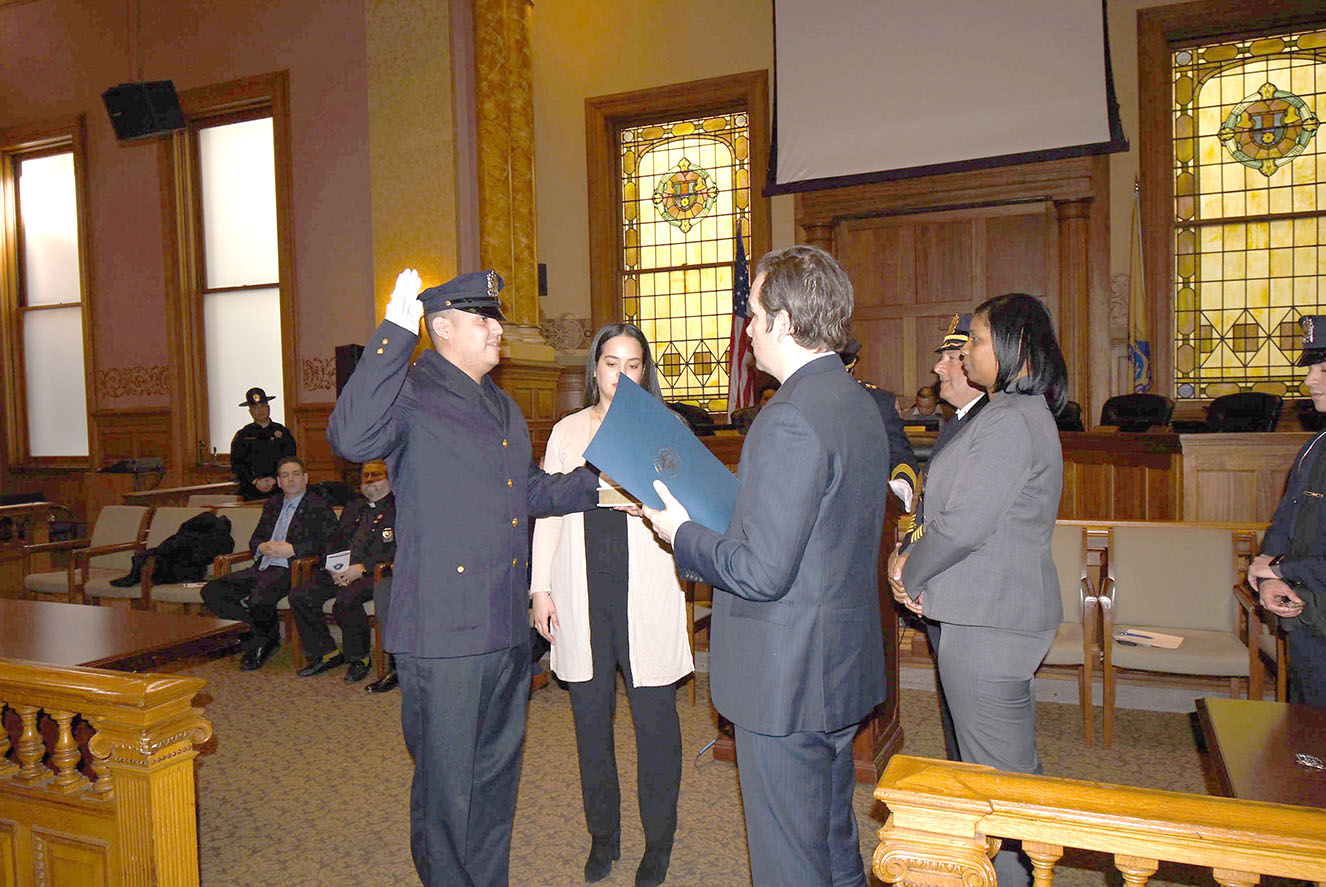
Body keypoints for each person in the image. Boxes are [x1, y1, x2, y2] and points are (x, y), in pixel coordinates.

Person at [326, 268, 600, 887]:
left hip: (502, 623)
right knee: (448, 789)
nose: (498, 328)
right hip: (445, 629)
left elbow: (523, 489)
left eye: (495, 317)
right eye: (484, 319)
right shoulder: (412, 390)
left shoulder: (500, 403)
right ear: (441, 327)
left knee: (495, 777)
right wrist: (396, 333)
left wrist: (599, 487)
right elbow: (348, 436)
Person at [643, 244, 888, 887]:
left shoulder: (788, 418)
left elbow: (760, 572)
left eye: (752, 315)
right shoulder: (857, 403)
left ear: (782, 322)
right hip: (837, 668)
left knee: (789, 863)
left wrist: (682, 535)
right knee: (834, 842)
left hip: (786, 681)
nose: (746, 329)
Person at [888, 293, 1067, 887]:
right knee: (993, 773)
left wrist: (907, 573)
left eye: (980, 340)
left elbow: (964, 524)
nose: (967, 353)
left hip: (992, 620)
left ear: (1015, 349)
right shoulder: (1004, 412)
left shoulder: (1012, 419)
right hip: (984, 609)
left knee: (1002, 787)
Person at [530, 322, 692, 887]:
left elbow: (689, 512)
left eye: (634, 365)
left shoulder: (664, 427)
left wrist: (642, 507)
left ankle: (659, 844)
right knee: (590, 726)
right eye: (611, 363)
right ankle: (604, 836)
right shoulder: (567, 432)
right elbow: (547, 511)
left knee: (656, 728)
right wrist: (539, 587)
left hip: (646, 591)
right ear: (593, 369)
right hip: (582, 593)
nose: (622, 375)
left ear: (645, 373)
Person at [901, 313, 988, 762]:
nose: (938, 369)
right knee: (958, 716)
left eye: (952, 358)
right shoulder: (960, 420)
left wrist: (914, 571)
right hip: (945, 586)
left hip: (969, 595)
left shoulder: (989, 425)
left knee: (981, 731)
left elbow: (962, 523)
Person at [1247, 315, 1326, 708]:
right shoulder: (1315, 447)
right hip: (1309, 622)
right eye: (1311, 369)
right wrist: (1270, 582)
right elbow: (1284, 525)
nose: (1310, 381)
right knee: (1309, 743)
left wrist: (1279, 570)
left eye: (1323, 370)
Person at [201, 456, 337, 670]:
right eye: (285, 475)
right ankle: (260, 635)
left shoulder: (318, 505)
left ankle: (258, 642)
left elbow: (328, 542)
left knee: (258, 599)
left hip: (291, 568)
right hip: (263, 565)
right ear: (279, 481)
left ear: (306, 478)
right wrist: (261, 546)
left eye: (295, 474)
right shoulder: (273, 504)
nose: (290, 480)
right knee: (212, 591)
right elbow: (255, 538)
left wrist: (294, 549)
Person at [292, 459, 396, 683]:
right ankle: (325, 653)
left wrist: (362, 569)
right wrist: (333, 568)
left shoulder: (398, 507)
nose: (369, 481)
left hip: (376, 573)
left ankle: (359, 659)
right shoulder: (353, 506)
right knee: (301, 596)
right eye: (365, 476)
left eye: (376, 475)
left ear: (389, 478)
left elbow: (400, 550)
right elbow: (333, 541)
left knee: (346, 602)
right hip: (340, 571)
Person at [839, 339, 920, 512]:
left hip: (867, 510)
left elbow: (900, 456)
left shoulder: (878, 402)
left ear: (852, 370)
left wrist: (901, 483)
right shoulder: (796, 401)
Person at [230, 386, 298, 500]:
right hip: (251, 491)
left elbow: (290, 459)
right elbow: (237, 464)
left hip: (280, 489)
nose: (260, 410)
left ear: (268, 407)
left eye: (262, 406)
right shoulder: (243, 435)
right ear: (250, 411)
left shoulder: (282, 432)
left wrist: (275, 479)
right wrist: (255, 481)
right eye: (255, 407)